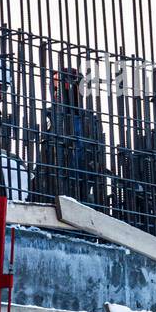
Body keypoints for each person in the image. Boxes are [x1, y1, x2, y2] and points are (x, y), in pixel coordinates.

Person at [33, 67, 107, 207]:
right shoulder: (50, 118)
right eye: (54, 88)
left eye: (59, 88)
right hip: (51, 188)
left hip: (79, 187)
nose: (56, 93)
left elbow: (95, 158)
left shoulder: (89, 122)